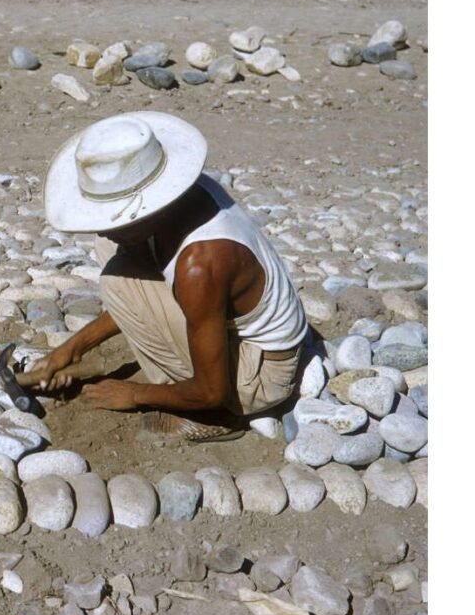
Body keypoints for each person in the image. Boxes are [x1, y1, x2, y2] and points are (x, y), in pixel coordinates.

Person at [27, 111, 308, 441]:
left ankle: (219, 420)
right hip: (236, 330)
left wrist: (133, 393)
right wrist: (70, 349)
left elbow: (210, 391)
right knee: (111, 251)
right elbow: (142, 296)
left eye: (115, 219)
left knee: (117, 281)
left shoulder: (200, 265)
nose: (104, 227)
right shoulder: (186, 194)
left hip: (258, 377)